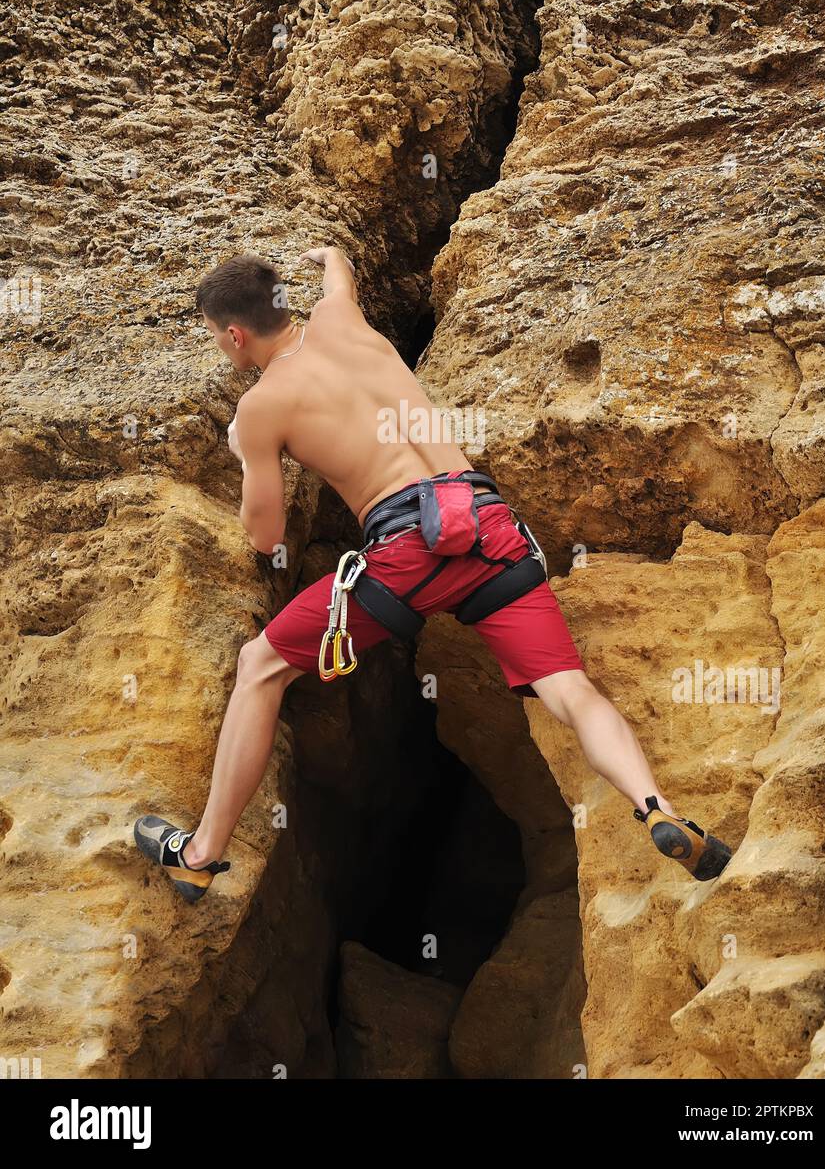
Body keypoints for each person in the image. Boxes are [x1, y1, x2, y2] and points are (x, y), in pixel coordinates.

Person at [134, 248, 733, 902]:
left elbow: (265, 535)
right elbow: (339, 271)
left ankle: (198, 856)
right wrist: (327, 256)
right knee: (569, 691)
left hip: (407, 553)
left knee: (261, 666)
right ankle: (655, 807)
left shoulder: (262, 407)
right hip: (487, 527)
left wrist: (248, 453)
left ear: (234, 334)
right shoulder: (342, 320)